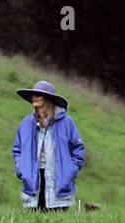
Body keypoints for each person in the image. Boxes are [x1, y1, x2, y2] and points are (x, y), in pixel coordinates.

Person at [11, 80, 85, 212]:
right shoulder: (26, 123)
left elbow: (77, 148)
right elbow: (17, 149)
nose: (34, 97)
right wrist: (21, 168)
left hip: (59, 181)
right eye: (33, 95)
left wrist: (71, 170)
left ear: (48, 98)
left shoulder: (67, 122)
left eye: (39, 95)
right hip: (33, 180)